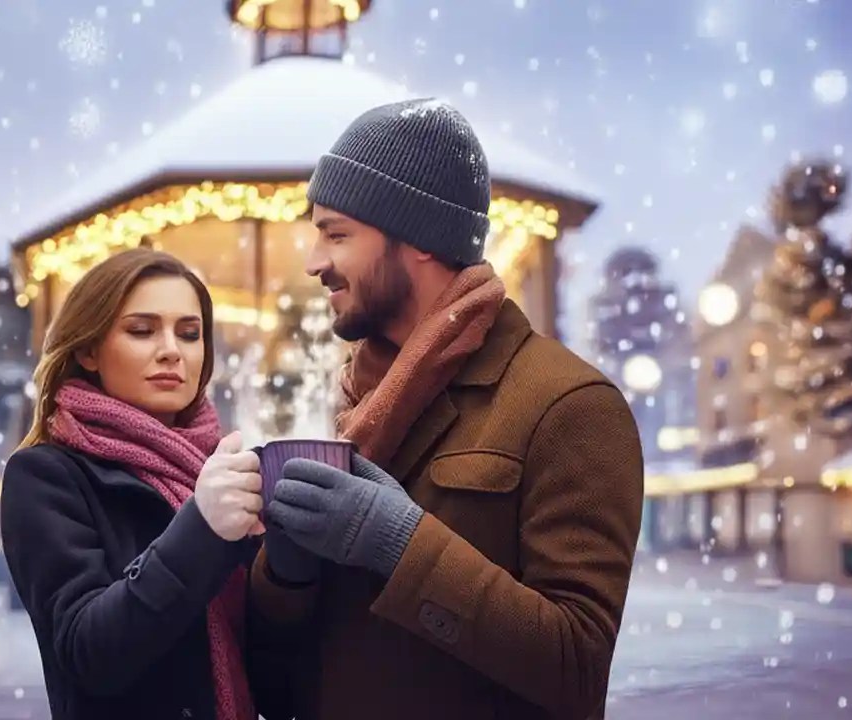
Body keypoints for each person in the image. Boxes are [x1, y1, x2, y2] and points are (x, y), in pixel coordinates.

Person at [250, 99, 645, 720]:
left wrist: (400, 543)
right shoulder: (352, 403)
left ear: (421, 240)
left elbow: (578, 667)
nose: (314, 262)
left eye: (336, 233)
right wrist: (286, 576)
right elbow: (294, 670)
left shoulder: (571, 405)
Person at [2, 248, 266, 720]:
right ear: (88, 350)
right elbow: (90, 654)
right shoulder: (45, 476)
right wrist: (201, 529)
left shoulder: (221, 469)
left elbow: (276, 672)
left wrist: (291, 564)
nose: (171, 350)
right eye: (142, 330)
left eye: (189, 333)